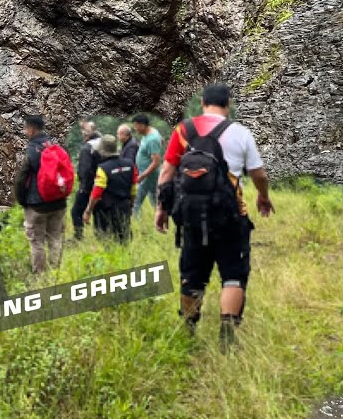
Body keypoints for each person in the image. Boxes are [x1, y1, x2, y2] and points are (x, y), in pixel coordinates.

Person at [155, 84, 274, 351]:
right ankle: (228, 335)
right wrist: (263, 196)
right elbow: (259, 174)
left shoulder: (183, 130)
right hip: (232, 216)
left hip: (193, 217)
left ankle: (188, 329)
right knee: (233, 274)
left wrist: (161, 209)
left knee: (192, 274)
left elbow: (167, 172)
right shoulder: (240, 133)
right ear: (227, 104)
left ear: (203, 102)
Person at [14, 114, 66, 272]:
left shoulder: (32, 150)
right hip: (58, 203)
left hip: (37, 205)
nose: (25, 131)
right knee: (55, 238)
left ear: (31, 129)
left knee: (37, 242)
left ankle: (41, 277)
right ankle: (56, 272)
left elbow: (21, 179)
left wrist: (23, 201)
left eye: (26, 128)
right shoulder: (54, 146)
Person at [83, 135, 138, 242]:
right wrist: (130, 205)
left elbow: (96, 193)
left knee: (106, 240)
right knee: (124, 239)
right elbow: (134, 188)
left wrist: (88, 210)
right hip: (124, 207)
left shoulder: (103, 168)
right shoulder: (130, 165)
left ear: (102, 150)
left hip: (106, 210)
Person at [70, 121, 102, 240]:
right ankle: (100, 236)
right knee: (99, 212)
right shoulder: (104, 142)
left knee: (76, 211)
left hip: (89, 186)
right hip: (105, 184)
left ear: (86, 135)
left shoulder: (87, 148)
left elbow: (86, 170)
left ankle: (78, 237)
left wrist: (84, 188)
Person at [133, 114, 164, 213]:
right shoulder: (151, 132)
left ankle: (135, 224)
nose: (135, 128)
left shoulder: (152, 139)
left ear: (142, 125)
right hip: (146, 174)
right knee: (154, 201)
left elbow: (156, 162)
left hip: (148, 175)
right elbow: (161, 140)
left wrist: (142, 176)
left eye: (136, 126)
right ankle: (159, 219)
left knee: (136, 202)